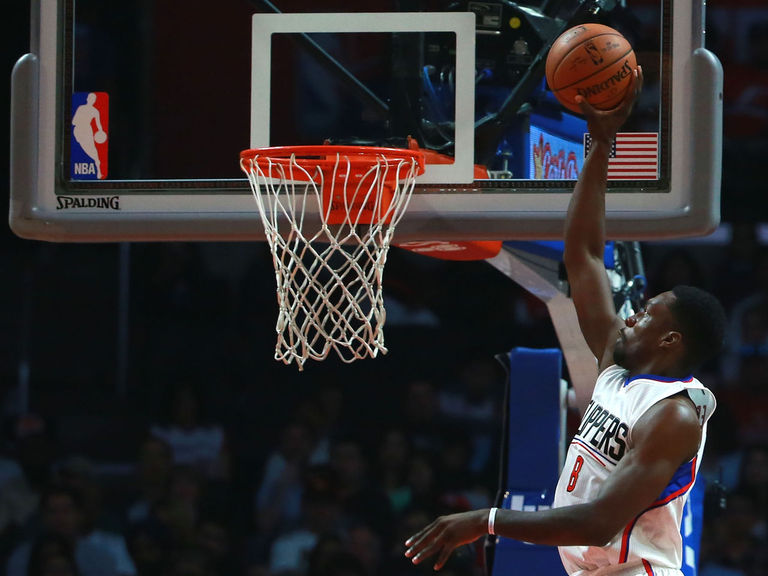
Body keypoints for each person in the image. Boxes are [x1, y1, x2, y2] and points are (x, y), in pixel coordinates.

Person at [402, 66, 728, 576]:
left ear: (669, 340)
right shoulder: (617, 367)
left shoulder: (673, 416)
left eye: (645, 313)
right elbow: (584, 256)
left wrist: (486, 521)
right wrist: (601, 144)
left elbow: (598, 523)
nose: (632, 315)